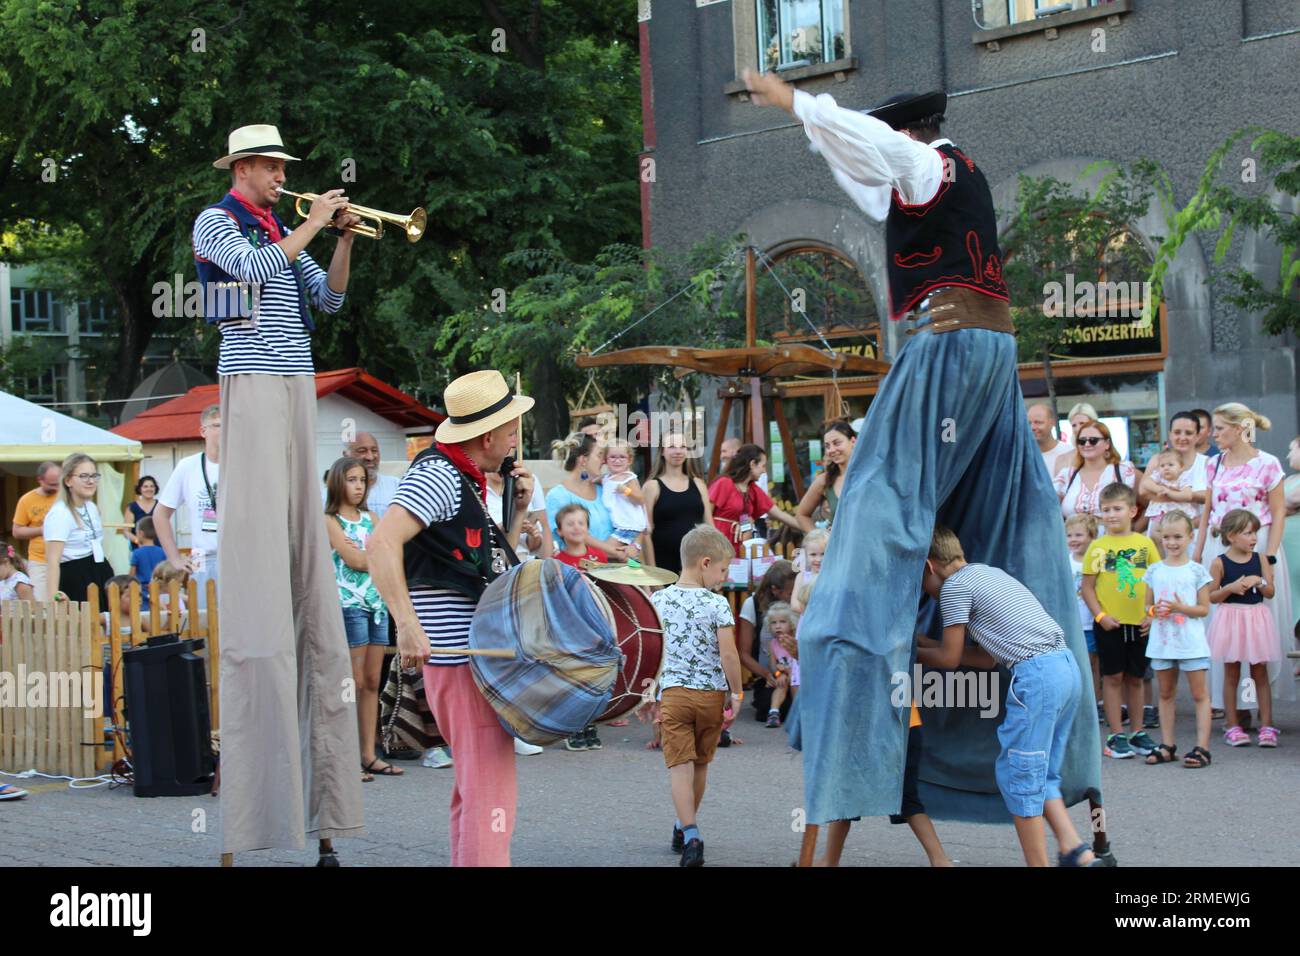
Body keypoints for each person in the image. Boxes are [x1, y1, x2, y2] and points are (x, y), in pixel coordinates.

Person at [741, 70, 1099, 827]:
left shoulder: (927, 162)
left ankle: (853, 661)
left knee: (882, 492)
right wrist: (817, 131)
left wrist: (797, 103)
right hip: (992, 353)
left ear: (908, 134)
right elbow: (865, 173)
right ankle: (1056, 786)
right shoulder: (946, 175)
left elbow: (875, 151)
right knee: (1006, 503)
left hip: (947, 343)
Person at [194, 124, 364, 864]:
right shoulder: (219, 221)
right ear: (246, 167)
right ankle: (252, 825)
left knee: (309, 579)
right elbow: (255, 272)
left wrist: (344, 238)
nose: (281, 175)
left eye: (283, 167)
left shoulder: (274, 223)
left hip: (295, 382)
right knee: (263, 576)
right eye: (272, 166)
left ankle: (326, 817)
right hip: (253, 384)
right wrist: (311, 223)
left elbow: (326, 302)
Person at [369, 369, 535, 867]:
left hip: (465, 654)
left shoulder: (458, 473)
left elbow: (473, 560)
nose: (514, 438)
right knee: (490, 795)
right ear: (486, 435)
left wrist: (518, 512)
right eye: (510, 429)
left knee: (476, 788)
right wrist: (407, 624)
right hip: (460, 656)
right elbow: (380, 543)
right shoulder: (439, 475)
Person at [918, 526, 1097, 867]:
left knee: (1020, 777)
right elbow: (986, 658)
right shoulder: (987, 573)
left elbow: (949, 660)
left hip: (1037, 677)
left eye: (921, 584)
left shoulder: (954, 588)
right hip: (1067, 668)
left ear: (929, 566)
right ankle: (1075, 850)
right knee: (1040, 772)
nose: (925, 593)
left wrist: (911, 650)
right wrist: (926, 644)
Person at [649, 524, 743, 868]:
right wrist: (737, 692)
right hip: (710, 697)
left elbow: (651, 650)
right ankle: (682, 826)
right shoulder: (717, 604)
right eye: (722, 569)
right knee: (701, 763)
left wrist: (648, 693)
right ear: (705, 563)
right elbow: (729, 655)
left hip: (673, 695)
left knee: (679, 768)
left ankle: (689, 833)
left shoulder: (657, 600)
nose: (723, 577)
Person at [1192, 402, 1292, 717]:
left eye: (1219, 428)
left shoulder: (1268, 463)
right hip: (1218, 547)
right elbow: (1208, 509)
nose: (1213, 434)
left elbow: (1278, 512)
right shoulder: (1213, 464)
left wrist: (1271, 555)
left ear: (1239, 428)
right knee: (1225, 622)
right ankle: (1235, 707)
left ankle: (1254, 702)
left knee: (1255, 624)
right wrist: (1197, 553)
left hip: (1256, 545)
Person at [324, 456, 399, 782]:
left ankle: (368, 754)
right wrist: (378, 558)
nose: (358, 486)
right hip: (350, 604)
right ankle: (345, 758)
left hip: (377, 604)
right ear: (338, 482)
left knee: (372, 682)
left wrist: (379, 558)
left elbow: (391, 554)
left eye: (362, 481)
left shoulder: (371, 516)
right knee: (351, 683)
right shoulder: (330, 520)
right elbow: (354, 559)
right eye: (352, 480)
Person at [1080, 483, 1160, 760]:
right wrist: (1100, 616)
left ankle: (1137, 732)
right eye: (1106, 510)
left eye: (1117, 508)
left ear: (1133, 510)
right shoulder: (1098, 548)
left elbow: (1156, 582)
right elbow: (1087, 587)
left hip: (1139, 623)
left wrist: (1150, 614)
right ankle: (1116, 735)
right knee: (1112, 677)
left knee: (1136, 677)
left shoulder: (1145, 544)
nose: (1111, 514)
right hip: (1109, 623)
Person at [1139, 510, 1214, 767]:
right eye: (1167, 537)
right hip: (1163, 641)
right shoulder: (1154, 570)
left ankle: (1202, 747)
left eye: (1178, 537)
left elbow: (1204, 608)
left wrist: (1182, 608)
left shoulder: (1196, 571)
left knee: (1199, 694)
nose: (1172, 542)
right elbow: (1147, 607)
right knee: (1166, 693)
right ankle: (1168, 744)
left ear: (1190, 537)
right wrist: (1153, 612)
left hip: (1190, 642)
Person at [1207, 509, 1280, 748]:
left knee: (1260, 671)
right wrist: (1231, 587)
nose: (1253, 538)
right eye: (1248, 533)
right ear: (1231, 535)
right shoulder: (1219, 562)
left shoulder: (1259, 559)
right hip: (1231, 619)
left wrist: (1258, 582)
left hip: (1255, 619)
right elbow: (1212, 596)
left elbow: (1270, 591)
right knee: (1232, 673)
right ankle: (1232, 724)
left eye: (1254, 533)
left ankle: (1267, 725)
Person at [153, 406, 221, 614]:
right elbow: (160, 514)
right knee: (205, 619)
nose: (224, 431)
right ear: (204, 431)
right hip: (203, 554)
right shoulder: (188, 466)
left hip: (239, 554)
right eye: (217, 425)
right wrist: (174, 558)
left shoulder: (245, 464)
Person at [43, 453, 114, 603]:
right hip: (75, 577)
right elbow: (53, 560)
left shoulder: (92, 507)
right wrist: (53, 598)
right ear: (68, 480)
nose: (90, 481)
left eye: (94, 476)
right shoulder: (60, 513)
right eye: (84, 476)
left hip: (99, 571)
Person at [545, 433, 628, 560]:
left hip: (616, 566)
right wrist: (614, 552)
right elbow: (575, 533)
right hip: (580, 569)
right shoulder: (558, 496)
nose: (604, 460)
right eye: (599, 455)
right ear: (583, 460)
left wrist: (633, 545)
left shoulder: (604, 490)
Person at [708, 444, 801, 556]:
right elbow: (705, 513)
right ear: (752, 464)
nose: (764, 471)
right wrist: (713, 541)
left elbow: (779, 514)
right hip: (717, 545)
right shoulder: (724, 483)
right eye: (763, 466)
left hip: (738, 547)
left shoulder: (752, 490)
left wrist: (809, 528)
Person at [736, 559, 796, 730]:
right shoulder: (752, 604)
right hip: (771, 673)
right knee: (767, 709)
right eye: (790, 593)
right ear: (775, 590)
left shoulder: (800, 602)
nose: (794, 596)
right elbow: (744, 654)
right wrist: (767, 674)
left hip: (797, 672)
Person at [643, 432, 712, 576]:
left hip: (696, 566)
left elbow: (710, 527)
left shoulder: (699, 484)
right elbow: (645, 534)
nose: (678, 451)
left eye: (682, 446)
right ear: (662, 451)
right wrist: (652, 573)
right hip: (664, 567)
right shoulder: (652, 486)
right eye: (672, 446)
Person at [1137, 411, 1208, 531]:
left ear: (1197, 436)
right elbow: (1143, 491)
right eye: (1177, 432)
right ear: (1170, 435)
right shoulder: (1157, 459)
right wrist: (1182, 495)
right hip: (1160, 531)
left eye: (1189, 433)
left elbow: (1210, 496)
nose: (1182, 437)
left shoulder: (1206, 463)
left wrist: (1168, 492)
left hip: (1194, 530)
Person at [1054, 419, 1138, 519]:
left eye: (1093, 440)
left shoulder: (1123, 471)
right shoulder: (1067, 475)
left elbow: (1149, 504)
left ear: (1107, 444)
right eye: (1082, 441)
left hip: (1113, 534)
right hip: (1072, 533)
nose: (1087, 444)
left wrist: (1133, 530)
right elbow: (1050, 509)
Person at [1064, 513, 1102, 720]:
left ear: (1092, 536)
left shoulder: (1094, 559)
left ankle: (1093, 703)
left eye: (1079, 534)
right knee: (1074, 664)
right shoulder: (1065, 561)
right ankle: (1076, 703)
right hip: (1072, 621)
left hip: (1090, 620)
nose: (1073, 539)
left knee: (1091, 664)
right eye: (1069, 535)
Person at [11, 461, 62, 600]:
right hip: (40, 560)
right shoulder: (27, 500)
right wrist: (43, 530)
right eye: (52, 484)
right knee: (42, 603)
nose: (57, 487)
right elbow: (17, 531)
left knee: (68, 602)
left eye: (59, 483)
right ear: (39, 480)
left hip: (66, 558)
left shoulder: (66, 497)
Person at [795, 421, 857, 530]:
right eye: (827, 446)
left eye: (837, 443)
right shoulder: (824, 480)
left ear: (853, 441)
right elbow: (801, 515)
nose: (831, 450)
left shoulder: (869, 476)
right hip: (838, 547)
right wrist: (820, 538)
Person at [600, 440, 648, 557]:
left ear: (630, 460)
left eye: (622, 457)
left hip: (629, 526)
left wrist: (626, 491)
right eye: (613, 457)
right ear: (605, 460)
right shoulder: (607, 478)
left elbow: (640, 499)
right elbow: (596, 479)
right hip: (619, 525)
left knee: (605, 552)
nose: (617, 460)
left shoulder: (629, 478)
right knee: (613, 553)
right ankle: (632, 555)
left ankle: (634, 551)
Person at [1139, 449, 1195, 538]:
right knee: (1155, 535)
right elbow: (1146, 483)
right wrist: (1159, 489)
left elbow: (1188, 495)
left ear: (1181, 467)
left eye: (1170, 465)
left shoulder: (1182, 478)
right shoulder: (1158, 476)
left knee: (1176, 537)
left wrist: (1169, 492)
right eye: (1162, 466)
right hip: (1159, 513)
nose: (1166, 468)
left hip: (1177, 515)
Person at [764, 601, 800, 727]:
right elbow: (773, 665)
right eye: (774, 623)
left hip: (797, 676)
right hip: (783, 676)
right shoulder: (773, 644)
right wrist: (779, 674)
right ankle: (773, 713)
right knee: (782, 684)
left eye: (782, 622)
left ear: (791, 623)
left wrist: (789, 672)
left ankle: (798, 714)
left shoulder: (795, 640)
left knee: (795, 682)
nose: (777, 626)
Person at [1284, 435, 1300, 674]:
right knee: (1292, 599)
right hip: (1285, 545)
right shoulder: (1289, 479)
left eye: (1293, 449)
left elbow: (1289, 501)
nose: (1288, 455)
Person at [552, 504, 607, 570]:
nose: (576, 527)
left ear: (587, 528)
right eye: (570, 524)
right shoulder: (557, 563)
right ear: (559, 531)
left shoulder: (600, 556)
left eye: (581, 523)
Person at [129, 517, 167, 611]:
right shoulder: (162, 551)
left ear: (141, 533)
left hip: (142, 591)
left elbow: (131, 576)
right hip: (159, 590)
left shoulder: (137, 553)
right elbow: (165, 571)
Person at [790, 527, 828, 614]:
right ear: (806, 555)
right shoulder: (802, 577)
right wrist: (813, 612)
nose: (818, 559)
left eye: (823, 554)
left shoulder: (833, 576)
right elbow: (794, 604)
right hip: (807, 621)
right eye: (813, 554)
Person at [1028, 403, 1071, 478]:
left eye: (1038, 422)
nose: (1032, 427)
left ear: (1052, 423)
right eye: (1029, 423)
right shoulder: (1022, 456)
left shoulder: (1070, 452)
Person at [123, 476, 159, 551]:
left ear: (155, 488)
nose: (149, 489)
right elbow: (126, 532)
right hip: (139, 548)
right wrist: (139, 541)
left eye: (152, 486)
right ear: (140, 489)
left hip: (158, 548)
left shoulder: (160, 506)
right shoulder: (132, 507)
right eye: (145, 486)